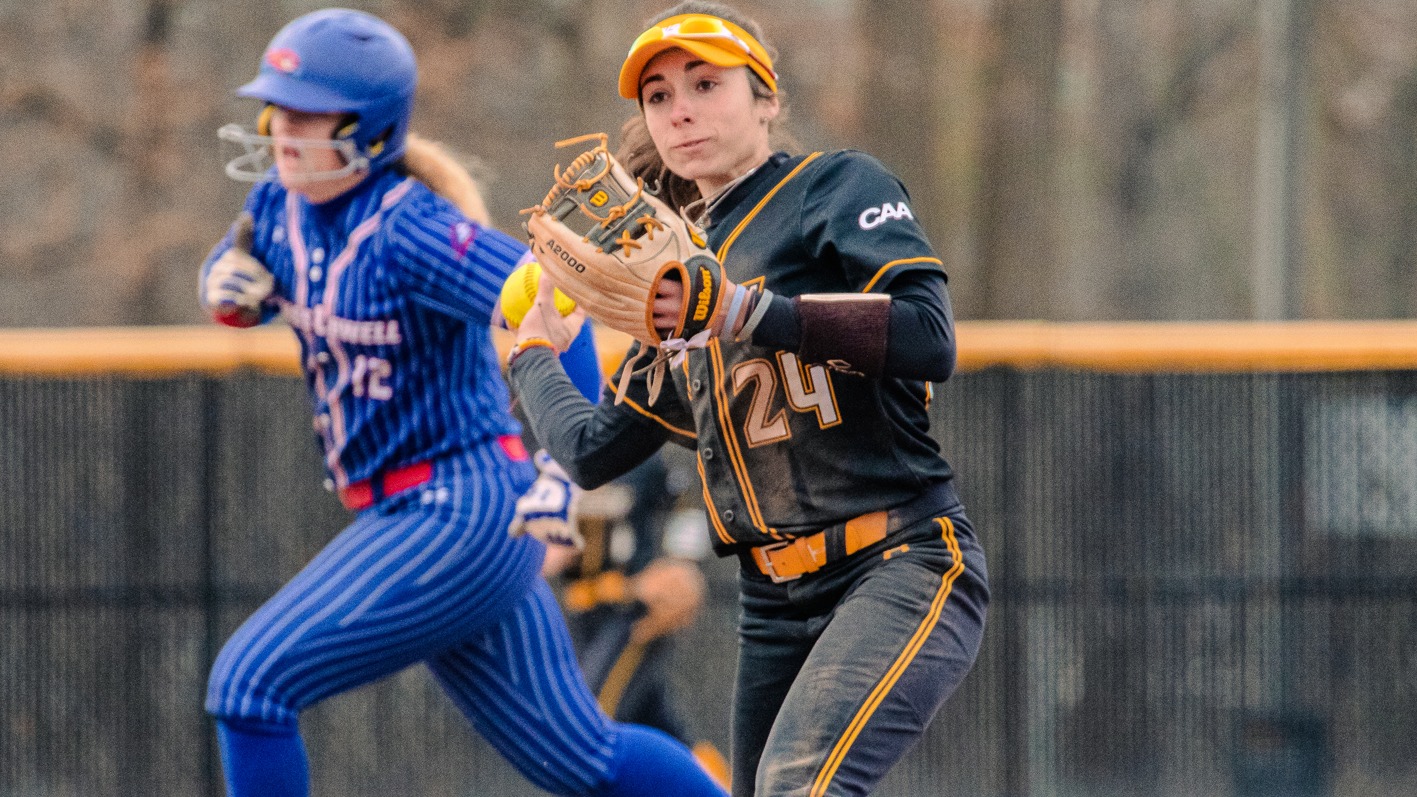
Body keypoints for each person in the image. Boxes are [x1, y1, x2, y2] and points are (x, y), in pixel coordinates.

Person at [198, 9, 728, 797]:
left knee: (248, 686)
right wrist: (225, 290)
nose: (281, 127)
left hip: (460, 511)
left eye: (305, 111)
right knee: (588, 760)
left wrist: (566, 460)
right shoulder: (279, 205)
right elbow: (237, 269)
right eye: (277, 107)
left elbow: (555, 296)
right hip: (426, 514)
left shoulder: (406, 228)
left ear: (368, 128)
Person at [506, 2, 990, 795]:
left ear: (765, 99)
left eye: (705, 82)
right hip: (771, 601)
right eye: (657, 97)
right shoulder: (671, 274)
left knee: (799, 785)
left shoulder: (829, 187)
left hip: (899, 560)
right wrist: (533, 357)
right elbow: (594, 451)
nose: (680, 108)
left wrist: (741, 310)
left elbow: (928, 336)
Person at [541, 451, 730, 788]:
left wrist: (682, 564)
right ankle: (719, 787)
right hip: (584, 612)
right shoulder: (560, 454)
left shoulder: (641, 450)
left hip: (637, 607)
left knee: (590, 718)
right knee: (652, 720)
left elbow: (687, 501)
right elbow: (544, 541)